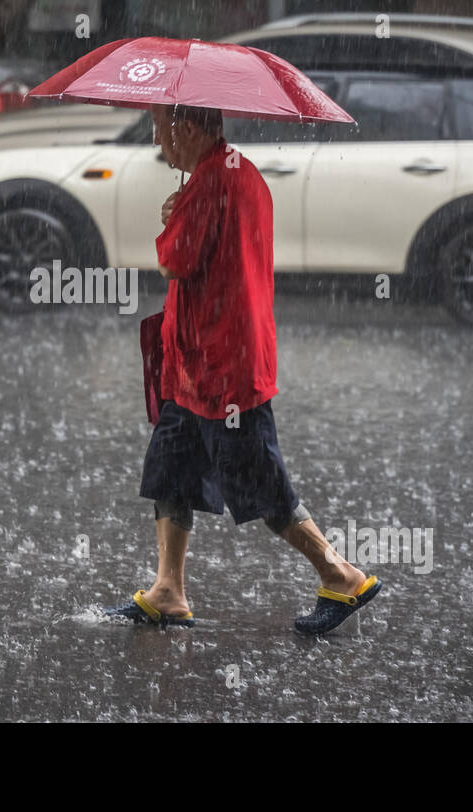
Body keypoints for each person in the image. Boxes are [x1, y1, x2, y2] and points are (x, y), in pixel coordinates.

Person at [106, 103, 383, 635]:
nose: (158, 141)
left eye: (161, 129)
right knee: (170, 472)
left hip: (223, 372)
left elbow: (174, 260)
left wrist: (174, 218)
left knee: (262, 486)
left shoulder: (212, 182)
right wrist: (182, 208)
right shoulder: (237, 172)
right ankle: (168, 590)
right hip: (193, 369)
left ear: (185, 128)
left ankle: (341, 576)